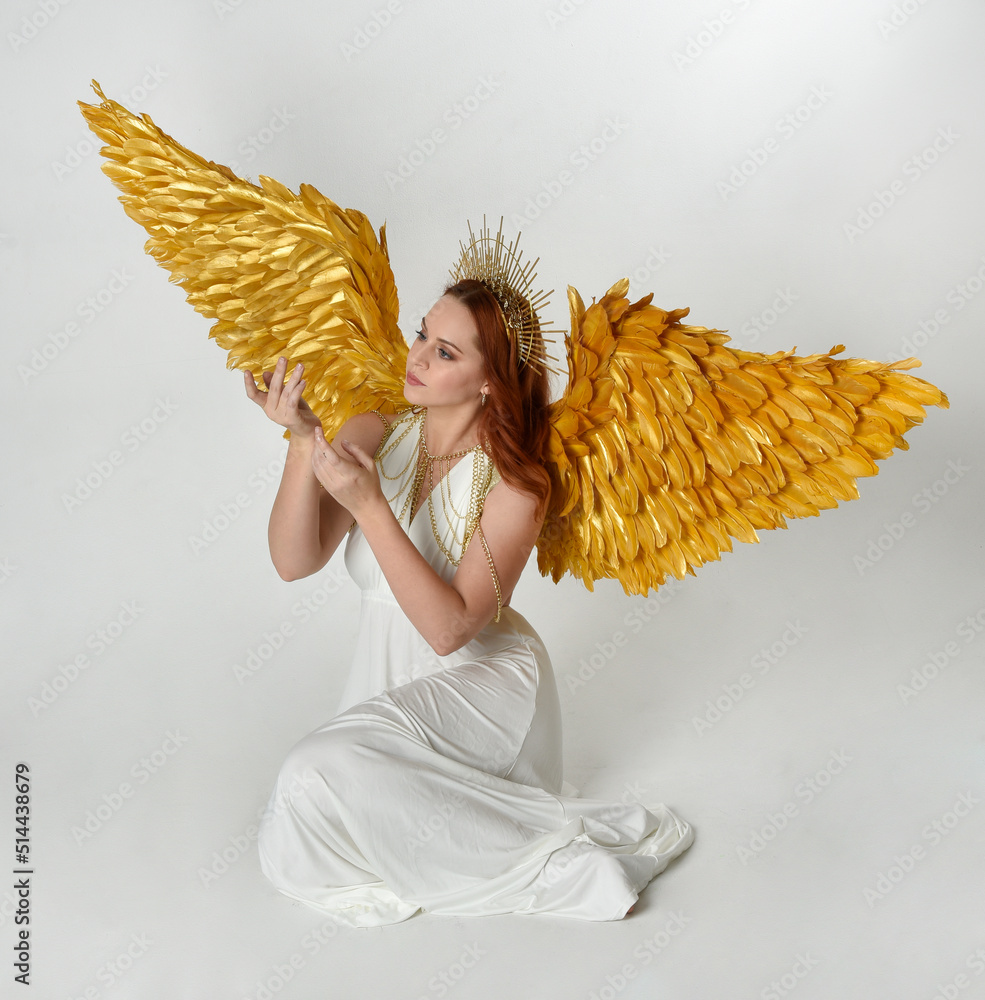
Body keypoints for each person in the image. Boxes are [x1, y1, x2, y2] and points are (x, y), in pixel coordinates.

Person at [245, 278, 694, 927]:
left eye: (446, 352)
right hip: (386, 674)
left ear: (491, 380)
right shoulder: (376, 431)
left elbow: (452, 629)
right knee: (299, 817)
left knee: (315, 772)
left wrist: (370, 506)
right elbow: (294, 561)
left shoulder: (516, 481)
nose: (418, 356)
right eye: (423, 333)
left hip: (479, 681)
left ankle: (556, 862)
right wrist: (301, 439)